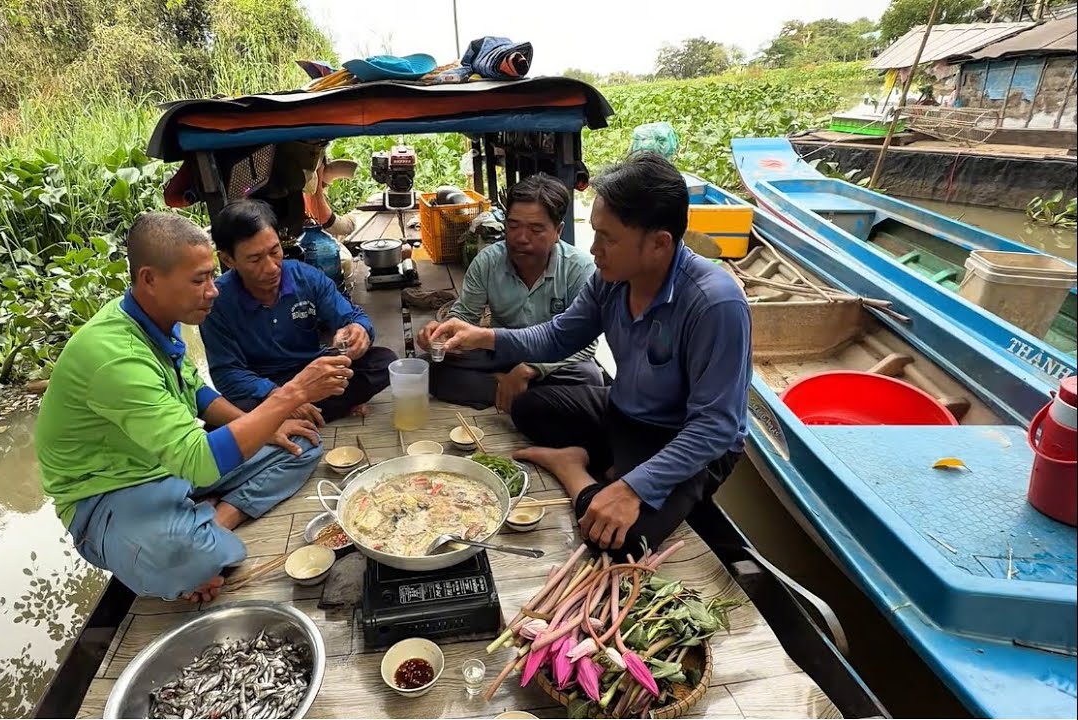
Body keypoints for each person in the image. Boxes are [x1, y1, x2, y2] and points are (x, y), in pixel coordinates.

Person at [430, 152, 752, 559]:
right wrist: (483, 336)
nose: (594, 248)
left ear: (659, 243)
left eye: (608, 238)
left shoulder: (714, 303)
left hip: (685, 438)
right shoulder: (611, 280)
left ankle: (572, 468)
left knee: (622, 539)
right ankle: (607, 463)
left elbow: (715, 427)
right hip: (625, 411)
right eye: (594, 232)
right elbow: (559, 335)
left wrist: (633, 487)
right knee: (528, 407)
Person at [36, 212, 353, 604]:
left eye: (210, 276)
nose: (213, 290)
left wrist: (267, 426)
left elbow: (198, 392)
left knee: (300, 443)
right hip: (110, 490)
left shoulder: (158, 320)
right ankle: (191, 534)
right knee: (195, 562)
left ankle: (221, 516)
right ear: (150, 279)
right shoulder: (114, 356)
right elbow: (200, 461)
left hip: (169, 463)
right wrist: (292, 394)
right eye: (199, 279)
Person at [416, 173, 604, 412]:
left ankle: (506, 392)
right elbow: (465, 316)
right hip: (499, 353)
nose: (521, 238)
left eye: (536, 229)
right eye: (513, 226)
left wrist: (530, 369)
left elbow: (585, 345)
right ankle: (522, 396)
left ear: (558, 230)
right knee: (429, 367)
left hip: (552, 361)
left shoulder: (579, 269)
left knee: (588, 377)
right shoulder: (488, 261)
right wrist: (443, 335)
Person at [201, 199, 397, 423]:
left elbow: (352, 316)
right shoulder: (217, 301)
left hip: (313, 374)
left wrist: (358, 330)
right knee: (223, 414)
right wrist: (280, 396)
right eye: (255, 259)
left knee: (382, 362)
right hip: (264, 388)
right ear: (227, 259)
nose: (272, 267)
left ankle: (281, 421)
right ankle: (307, 413)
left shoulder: (305, 277)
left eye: (275, 251)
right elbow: (227, 373)